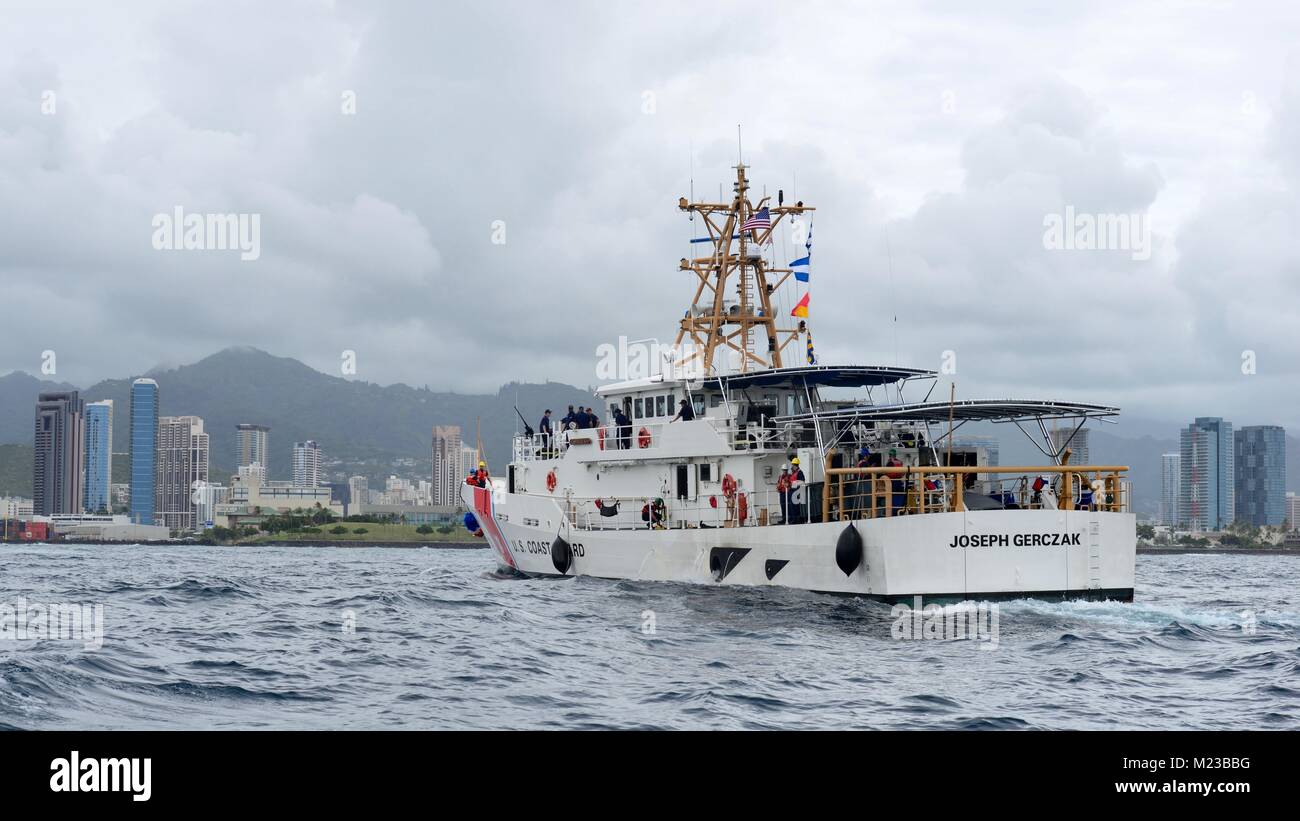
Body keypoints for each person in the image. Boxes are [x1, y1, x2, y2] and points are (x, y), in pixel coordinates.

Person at [885, 449, 905, 514]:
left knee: (892, 497)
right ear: (895, 455)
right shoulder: (900, 462)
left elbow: (887, 472)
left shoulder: (889, 462)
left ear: (890, 455)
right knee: (900, 497)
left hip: (892, 482)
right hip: (899, 482)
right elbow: (902, 473)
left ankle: (893, 512)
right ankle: (899, 510)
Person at [788, 457, 807, 524]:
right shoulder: (794, 473)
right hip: (792, 491)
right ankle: (793, 519)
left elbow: (802, 482)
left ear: (795, 465)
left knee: (795, 507)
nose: (792, 466)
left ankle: (796, 519)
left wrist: (792, 483)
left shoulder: (800, 473)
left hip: (796, 492)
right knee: (792, 507)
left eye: (793, 465)